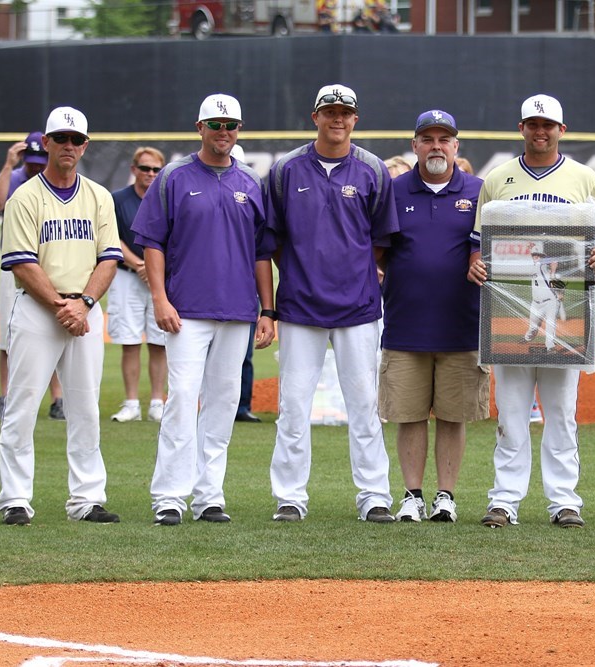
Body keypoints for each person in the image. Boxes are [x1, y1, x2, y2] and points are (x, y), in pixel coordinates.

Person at [467, 94, 595, 529]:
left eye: (548, 124)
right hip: (506, 307)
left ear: (561, 130)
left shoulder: (584, 178)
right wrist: (473, 262)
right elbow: (477, 241)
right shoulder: (497, 178)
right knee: (511, 412)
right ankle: (505, 500)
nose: (540, 131)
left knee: (562, 412)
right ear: (522, 128)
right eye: (533, 124)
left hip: (567, 303)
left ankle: (564, 500)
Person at [133, 94, 277, 526]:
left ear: (239, 128)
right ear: (200, 127)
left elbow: (261, 252)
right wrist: (159, 298)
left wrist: (267, 310)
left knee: (223, 401)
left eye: (231, 124)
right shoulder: (174, 177)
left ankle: (209, 494)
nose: (224, 132)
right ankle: (170, 496)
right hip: (186, 309)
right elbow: (152, 242)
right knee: (181, 399)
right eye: (215, 124)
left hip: (236, 310)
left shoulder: (251, 182)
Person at [266, 84, 398, 523]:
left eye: (345, 113)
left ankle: (374, 494)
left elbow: (380, 241)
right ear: (315, 117)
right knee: (293, 404)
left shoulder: (372, 170)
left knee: (364, 404)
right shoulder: (286, 170)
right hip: (301, 307)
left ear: (355, 119)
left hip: (358, 306)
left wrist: (351, 270)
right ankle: (290, 496)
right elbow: (274, 240)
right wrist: (304, 272)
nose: (337, 119)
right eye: (330, 112)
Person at [0, 106, 123, 526]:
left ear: (85, 146)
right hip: (38, 310)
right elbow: (22, 262)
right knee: (23, 405)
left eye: (76, 139)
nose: (68, 146)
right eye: (61, 138)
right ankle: (14, 498)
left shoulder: (99, 196)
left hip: (84, 310)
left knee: (84, 407)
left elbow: (109, 258)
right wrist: (61, 306)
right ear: (46, 142)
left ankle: (86, 499)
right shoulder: (25, 197)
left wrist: (83, 304)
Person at [380, 109, 489, 523]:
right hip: (406, 323)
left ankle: (446, 495)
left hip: (462, 323)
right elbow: (377, 250)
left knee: (452, 414)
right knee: (408, 414)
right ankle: (412, 494)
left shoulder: (479, 191)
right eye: (428, 139)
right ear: (415, 146)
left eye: (445, 139)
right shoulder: (394, 191)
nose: (436, 146)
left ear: (456, 146)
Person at [0, 131, 66, 421]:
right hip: (16, 266)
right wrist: (8, 165)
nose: (34, 166)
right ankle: (6, 397)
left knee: (57, 330)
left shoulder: (58, 184)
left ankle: (58, 399)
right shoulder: (17, 178)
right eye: (29, 162)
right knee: (8, 336)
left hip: (52, 264)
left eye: (38, 161)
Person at [108, 147, 168, 423]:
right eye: (145, 168)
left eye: (156, 170)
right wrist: (139, 265)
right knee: (129, 341)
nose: (150, 174)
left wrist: (154, 269)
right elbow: (113, 238)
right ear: (134, 170)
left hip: (160, 278)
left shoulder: (167, 198)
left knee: (160, 341)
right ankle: (131, 402)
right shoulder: (118, 199)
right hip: (127, 276)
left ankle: (158, 402)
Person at [230, 144, 262, 424]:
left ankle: (242, 406)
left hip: (245, 289)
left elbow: (262, 248)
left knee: (245, 354)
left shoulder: (251, 192)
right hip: (203, 291)